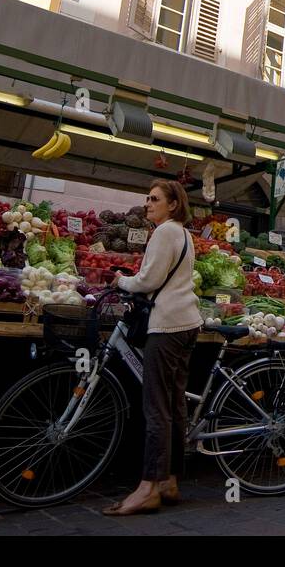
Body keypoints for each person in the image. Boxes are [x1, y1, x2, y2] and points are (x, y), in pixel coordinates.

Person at [103, 179, 200, 516]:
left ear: (173, 204)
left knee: (155, 406)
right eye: (147, 197)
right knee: (173, 404)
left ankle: (148, 488)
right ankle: (170, 480)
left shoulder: (164, 232)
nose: (147, 203)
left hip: (168, 325)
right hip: (187, 323)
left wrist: (121, 281)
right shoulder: (184, 234)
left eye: (155, 198)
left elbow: (148, 281)